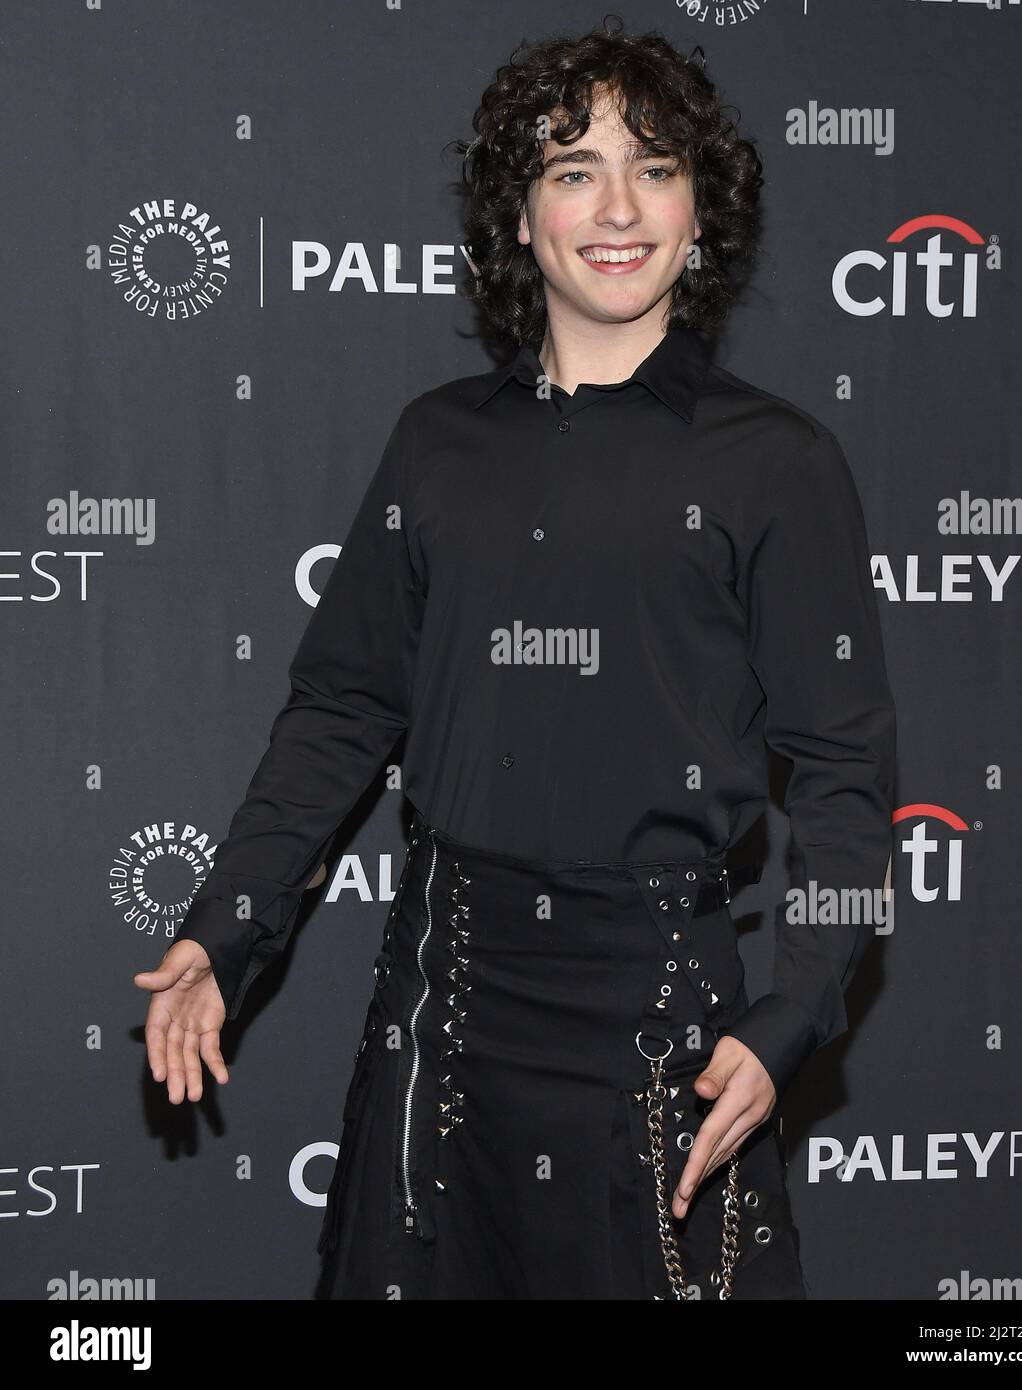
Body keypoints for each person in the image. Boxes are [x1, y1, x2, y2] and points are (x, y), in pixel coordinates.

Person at [134, 20, 896, 1301]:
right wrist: (227, 927)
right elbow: (342, 707)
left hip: (665, 1030)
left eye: (654, 168)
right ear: (520, 215)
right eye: (571, 169)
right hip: (447, 1005)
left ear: (699, 210)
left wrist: (789, 1016)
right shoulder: (434, 446)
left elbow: (842, 774)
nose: (616, 207)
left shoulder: (777, 460)